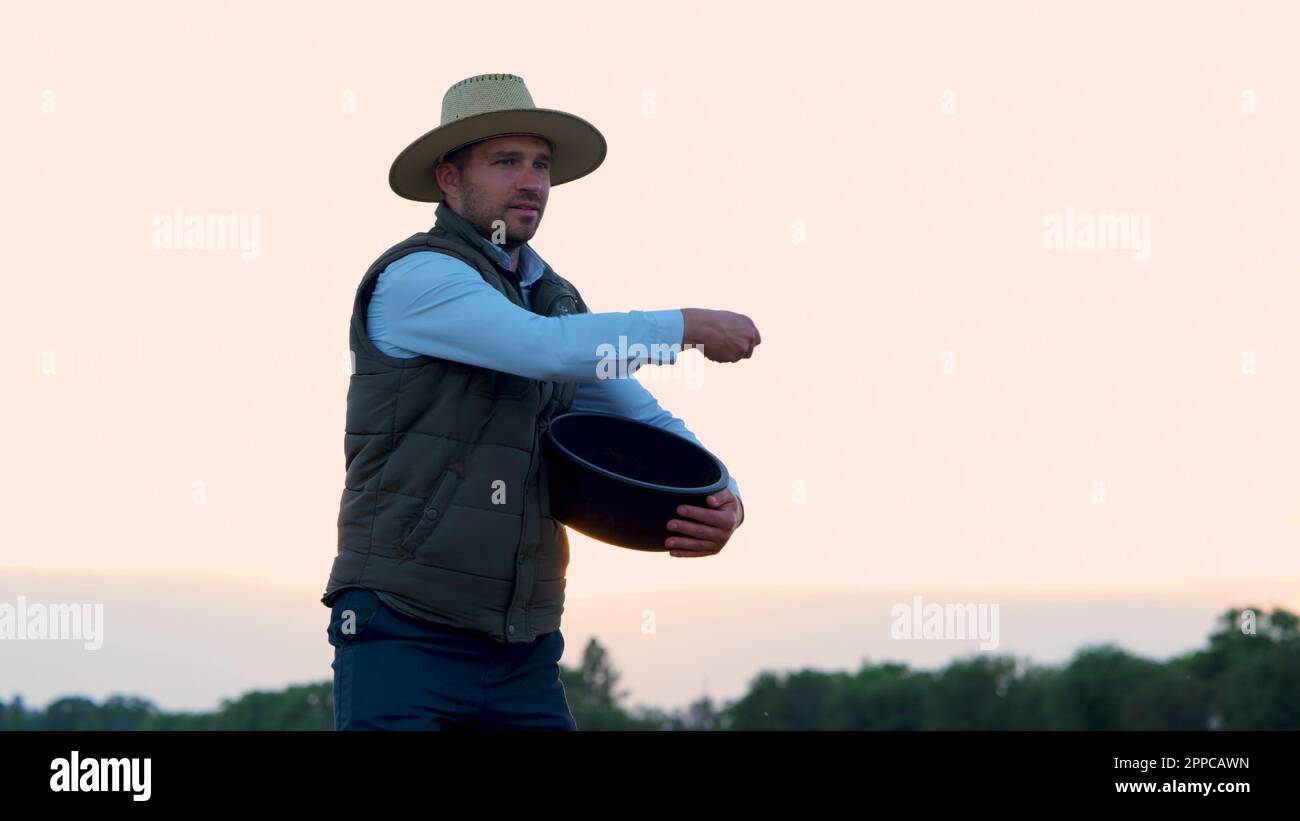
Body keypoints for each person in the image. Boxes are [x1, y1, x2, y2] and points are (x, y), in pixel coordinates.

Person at [321, 73, 761, 730]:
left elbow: (639, 415)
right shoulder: (417, 276)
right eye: (506, 162)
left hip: (524, 648)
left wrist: (722, 495)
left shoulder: (552, 298)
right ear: (448, 177)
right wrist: (685, 325)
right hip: (402, 631)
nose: (530, 181)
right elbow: (540, 349)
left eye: (541, 164)